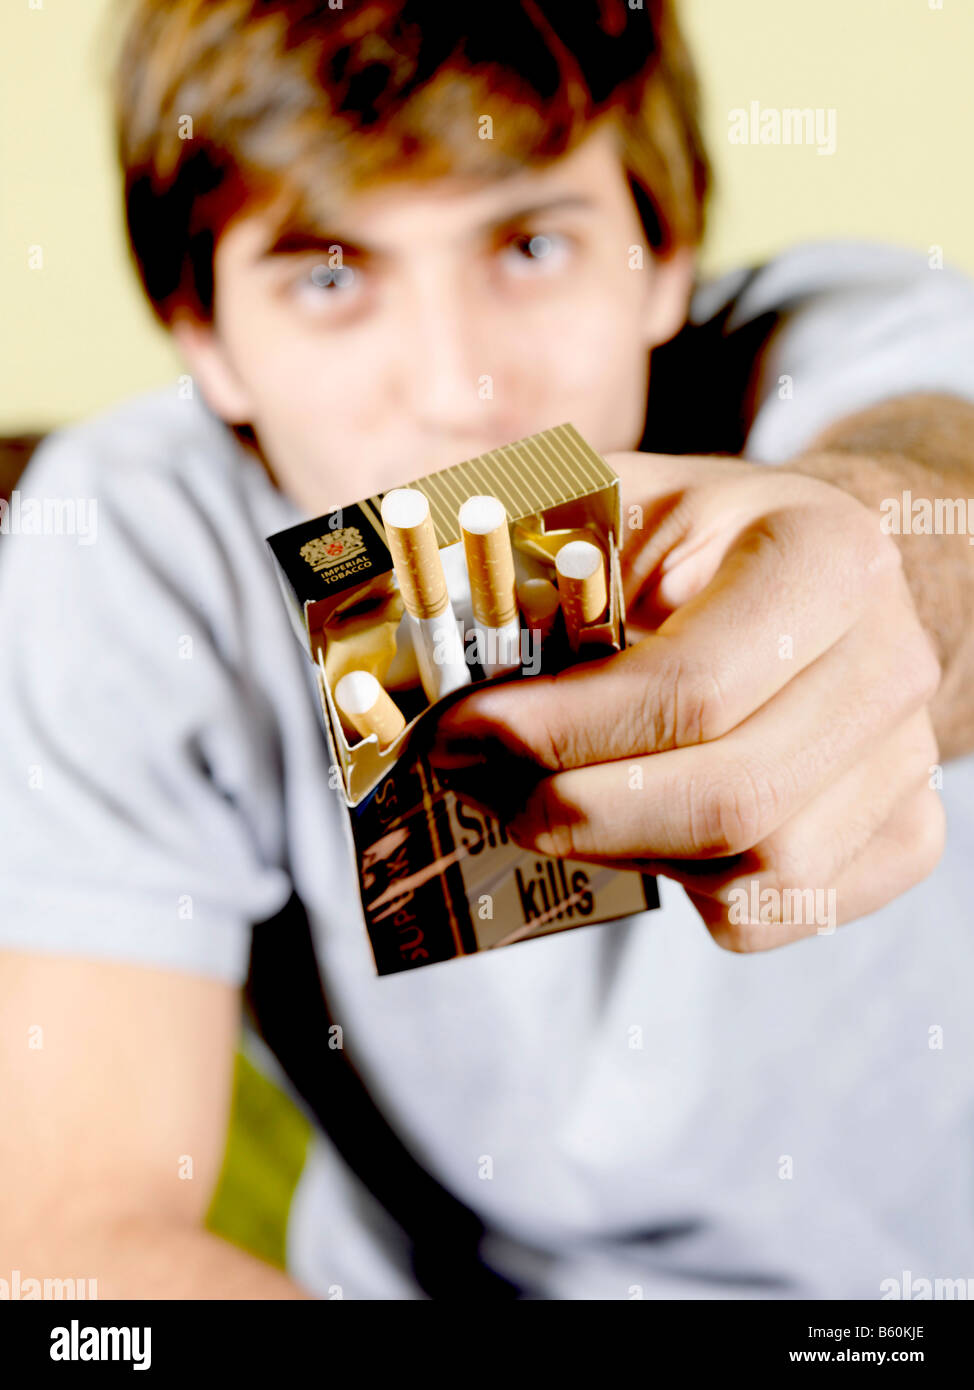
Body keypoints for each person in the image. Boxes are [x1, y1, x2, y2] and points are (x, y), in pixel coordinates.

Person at [2, 0, 973, 1300]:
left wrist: (874, 576)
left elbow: (936, 486)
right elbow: (75, 1237)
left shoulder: (841, 344)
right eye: (330, 274)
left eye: (527, 243)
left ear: (662, 255)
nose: (456, 388)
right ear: (206, 343)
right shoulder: (135, 537)